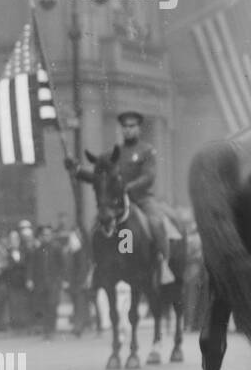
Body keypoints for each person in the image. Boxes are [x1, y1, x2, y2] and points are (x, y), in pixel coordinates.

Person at [66, 111, 177, 288]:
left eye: (132, 126)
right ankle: (93, 267)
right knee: (94, 228)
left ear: (138, 128)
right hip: (116, 204)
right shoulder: (113, 153)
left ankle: (163, 264)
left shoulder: (146, 151)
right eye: (125, 127)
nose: (128, 130)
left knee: (156, 223)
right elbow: (98, 177)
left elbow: (149, 176)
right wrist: (77, 170)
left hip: (141, 199)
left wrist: (129, 187)